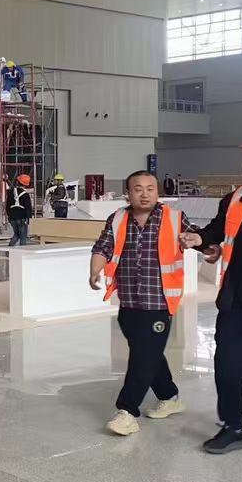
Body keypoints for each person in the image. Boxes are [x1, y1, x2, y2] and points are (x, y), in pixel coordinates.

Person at [89, 171, 190, 437]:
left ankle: (127, 411)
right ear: (128, 193)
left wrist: (202, 244)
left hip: (159, 301)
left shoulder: (174, 218)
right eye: (138, 189)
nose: (144, 194)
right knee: (148, 353)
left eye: (150, 188)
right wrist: (95, 270)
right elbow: (103, 246)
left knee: (143, 356)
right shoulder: (118, 218)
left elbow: (195, 238)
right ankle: (169, 396)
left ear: (158, 192)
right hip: (129, 301)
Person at [182, 152, 242, 453]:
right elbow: (217, 231)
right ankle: (232, 426)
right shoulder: (235, 199)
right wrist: (200, 240)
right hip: (236, 299)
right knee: (228, 366)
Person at [6, 173, 35, 247]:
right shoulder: (25, 195)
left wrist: (9, 216)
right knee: (23, 236)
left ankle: (9, 248)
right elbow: (28, 208)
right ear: (26, 184)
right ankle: (23, 250)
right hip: (22, 217)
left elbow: (7, 206)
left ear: (18, 182)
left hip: (12, 217)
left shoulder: (11, 192)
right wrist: (28, 218)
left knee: (16, 234)